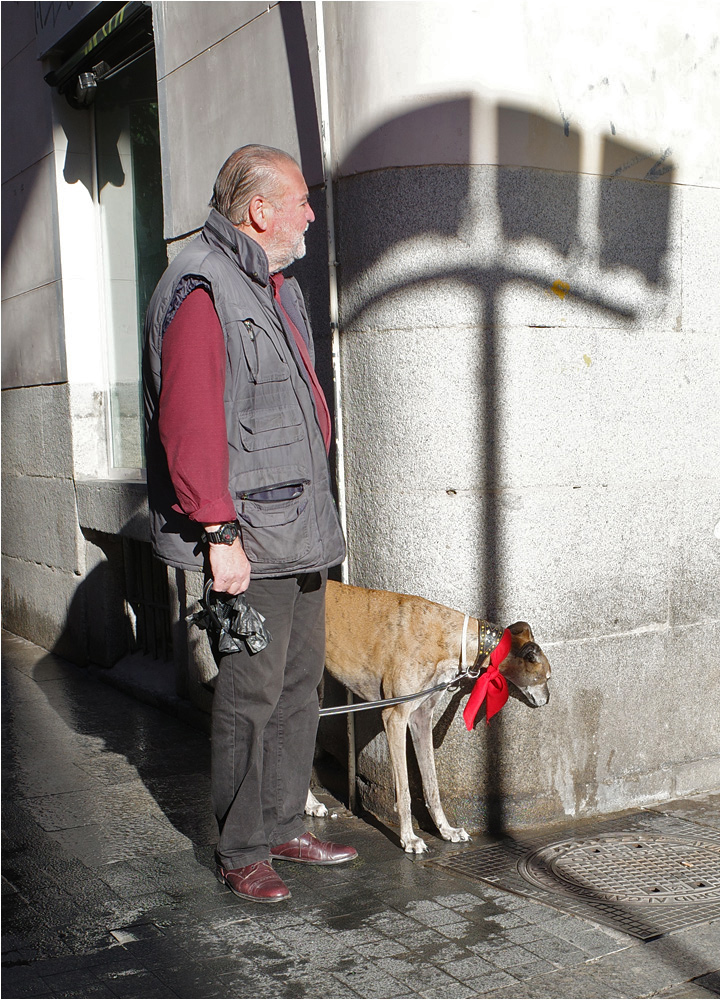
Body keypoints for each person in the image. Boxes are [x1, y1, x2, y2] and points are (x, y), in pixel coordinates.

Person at [143, 145, 355, 902]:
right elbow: (190, 423)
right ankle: (240, 849)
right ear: (260, 211)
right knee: (250, 697)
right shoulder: (202, 286)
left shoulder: (273, 283)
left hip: (300, 525)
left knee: (299, 687)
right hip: (250, 538)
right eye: (299, 201)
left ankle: (282, 819)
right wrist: (218, 535)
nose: (309, 213)